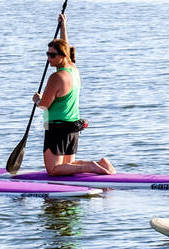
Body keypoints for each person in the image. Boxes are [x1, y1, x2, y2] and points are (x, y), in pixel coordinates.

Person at [32, 15, 114, 176]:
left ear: (62, 56)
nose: (48, 58)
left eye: (52, 55)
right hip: (72, 126)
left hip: (57, 127)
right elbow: (66, 47)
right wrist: (63, 27)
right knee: (67, 165)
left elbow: (44, 106)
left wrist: (36, 100)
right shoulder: (73, 69)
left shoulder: (56, 78)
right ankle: (102, 163)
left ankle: (90, 166)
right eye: (47, 54)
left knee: (53, 170)